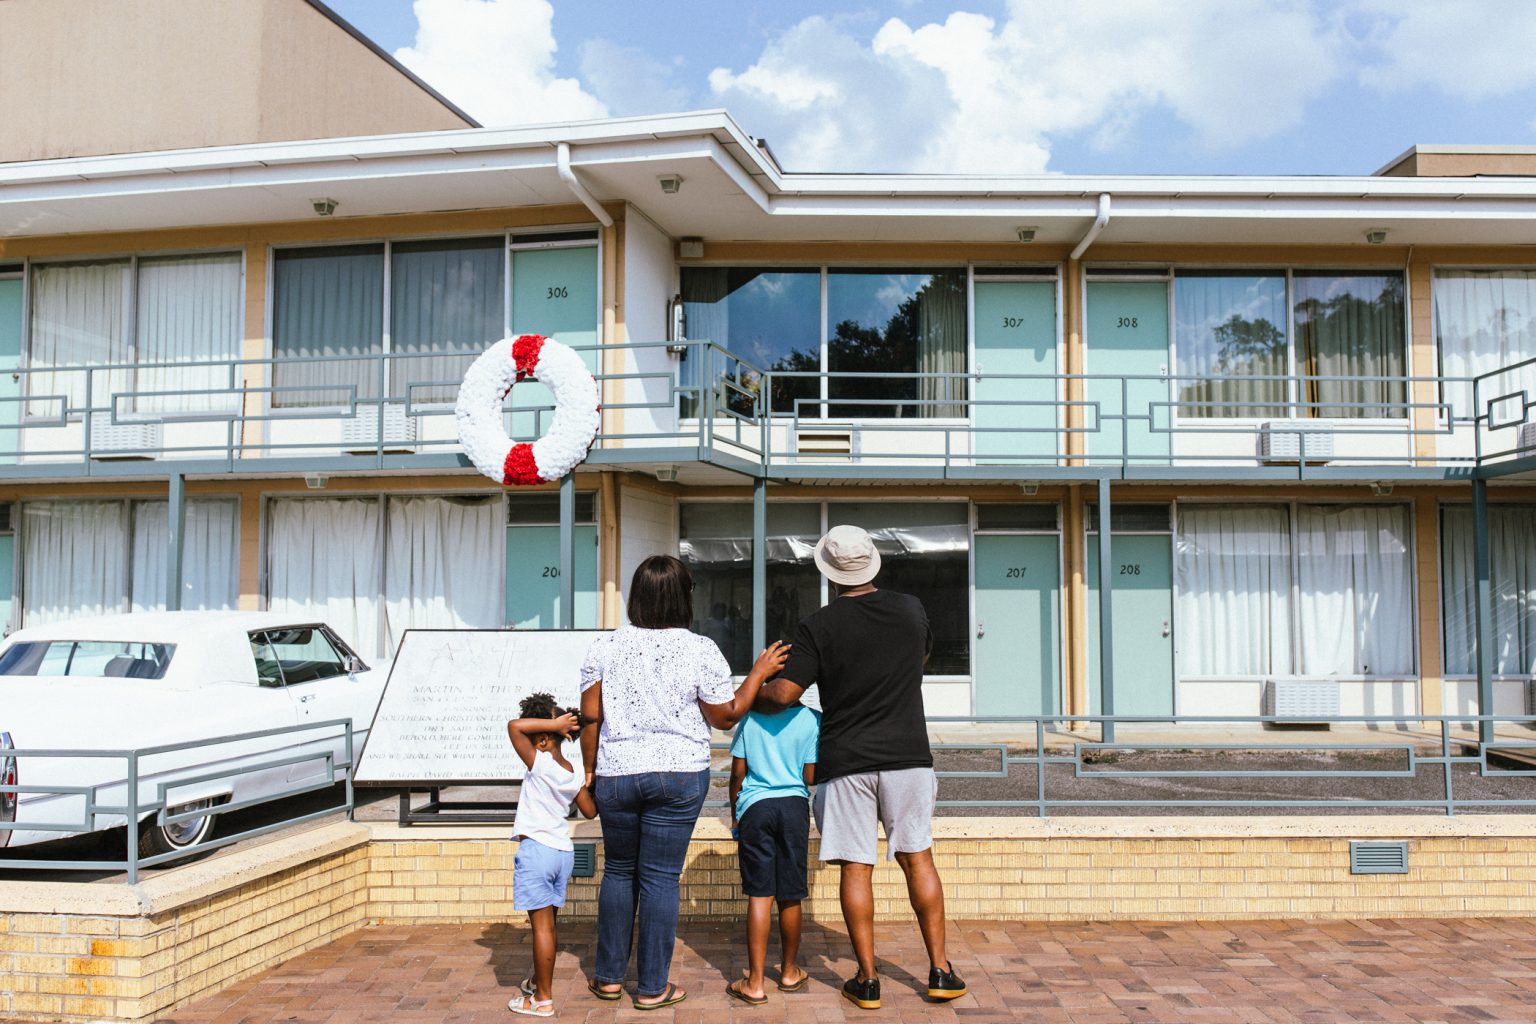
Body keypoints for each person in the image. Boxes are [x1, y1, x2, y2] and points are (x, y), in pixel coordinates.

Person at [757, 524, 967, 1011]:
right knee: (918, 857)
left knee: (856, 867)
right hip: (908, 755)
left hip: (845, 760)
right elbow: (921, 656)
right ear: (873, 563)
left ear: (829, 575)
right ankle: (939, 970)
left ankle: (868, 980)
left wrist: (755, 687)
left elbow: (785, 695)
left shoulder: (817, 626)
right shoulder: (911, 609)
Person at [579, 554, 790, 1011]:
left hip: (617, 769)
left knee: (618, 871)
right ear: (684, 597)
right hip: (678, 774)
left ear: (636, 596)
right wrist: (756, 674)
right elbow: (726, 716)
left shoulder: (604, 647)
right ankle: (653, 987)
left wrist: (590, 771)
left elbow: (591, 716)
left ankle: (609, 979)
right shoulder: (700, 649)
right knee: (659, 877)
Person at [504, 693, 598, 1018]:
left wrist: (553, 723)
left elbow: (514, 726)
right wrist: (587, 780)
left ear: (543, 739)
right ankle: (536, 981)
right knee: (550, 928)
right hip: (562, 854)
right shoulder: (570, 770)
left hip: (538, 852)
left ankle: (542, 1000)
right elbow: (588, 811)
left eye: (535, 739)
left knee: (541, 930)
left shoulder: (539, 761)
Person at [724, 696, 820, 1006]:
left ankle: (754, 982)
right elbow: (809, 777)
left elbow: (738, 772)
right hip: (793, 807)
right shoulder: (811, 719)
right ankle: (790, 972)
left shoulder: (750, 717)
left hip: (756, 806)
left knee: (760, 894)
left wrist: (736, 811)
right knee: (790, 893)